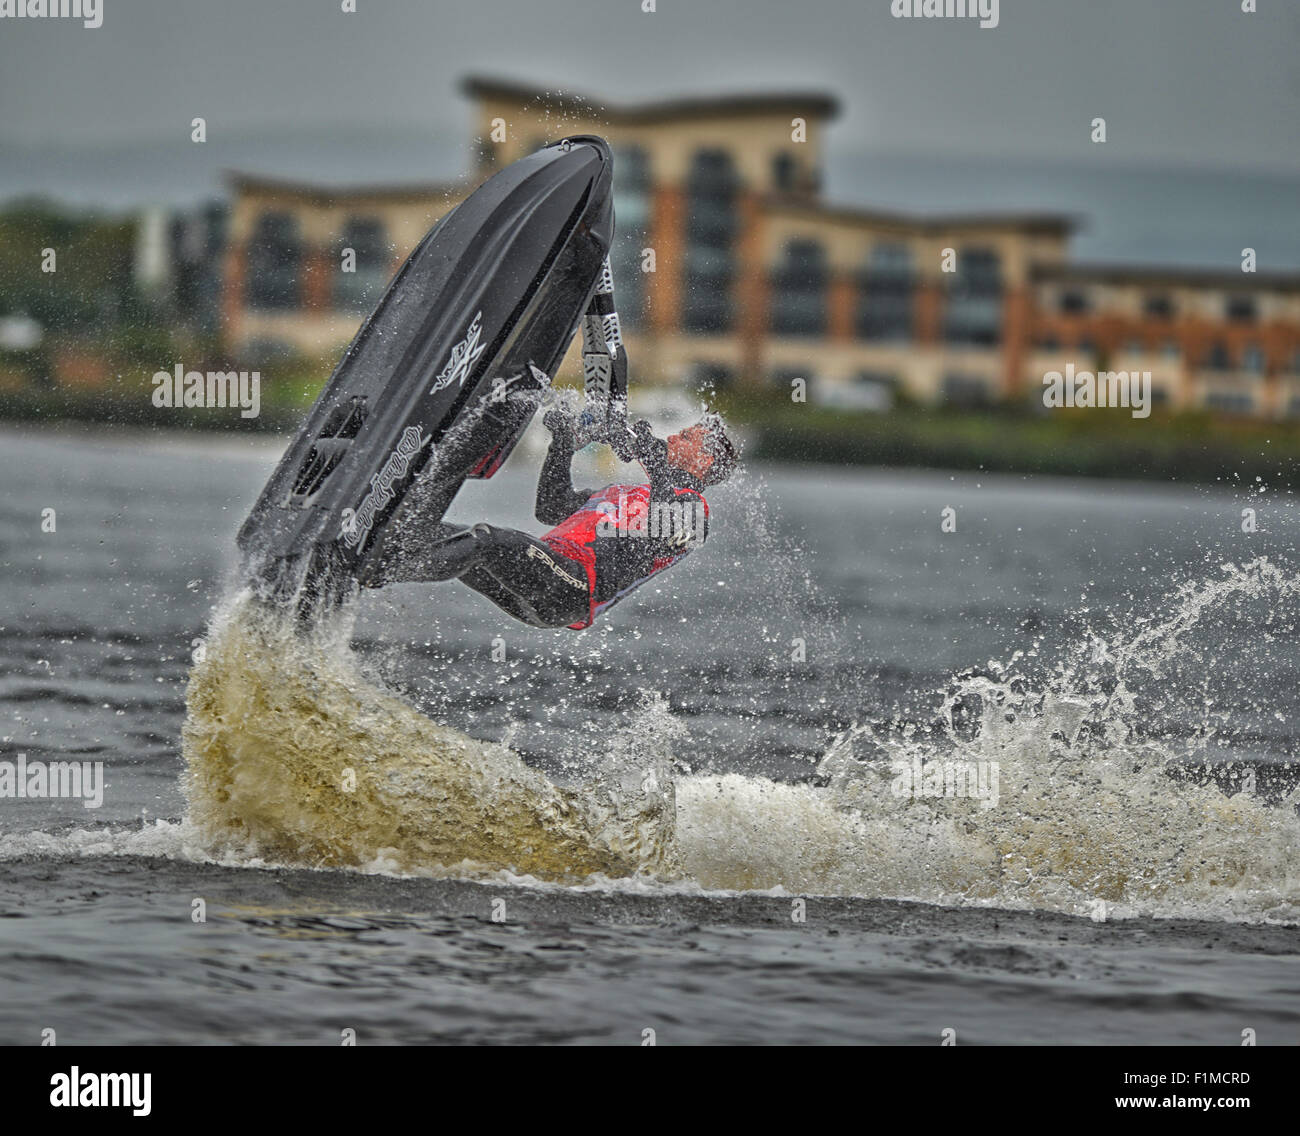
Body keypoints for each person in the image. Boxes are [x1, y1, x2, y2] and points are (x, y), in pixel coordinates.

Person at [364, 408, 737, 629]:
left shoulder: (695, 512)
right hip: (545, 575)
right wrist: (562, 442)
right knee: (440, 534)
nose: (674, 436)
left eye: (687, 436)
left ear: (703, 461)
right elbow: (550, 508)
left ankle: (370, 575)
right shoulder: (622, 492)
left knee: (485, 540)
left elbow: (659, 532)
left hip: (575, 589)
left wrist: (652, 459)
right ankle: (364, 548)